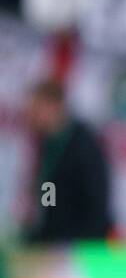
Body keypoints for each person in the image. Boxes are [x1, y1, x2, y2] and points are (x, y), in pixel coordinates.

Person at [23, 80, 111, 244]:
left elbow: (96, 205)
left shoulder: (85, 145)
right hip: (53, 241)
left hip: (78, 247)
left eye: (36, 110)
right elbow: (49, 196)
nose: (31, 116)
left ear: (54, 106)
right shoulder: (47, 143)